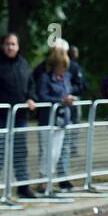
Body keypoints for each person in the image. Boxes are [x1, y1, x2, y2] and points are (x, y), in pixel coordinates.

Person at [0, 34, 37, 198]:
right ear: (2, 46)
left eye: (13, 44)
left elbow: (31, 85)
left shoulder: (24, 64)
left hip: (19, 116)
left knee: (21, 152)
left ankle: (23, 186)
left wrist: (31, 98)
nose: (10, 47)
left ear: (18, 46)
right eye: (7, 44)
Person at [32, 44, 79, 191]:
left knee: (58, 152)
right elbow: (42, 96)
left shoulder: (67, 78)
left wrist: (69, 98)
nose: (63, 70)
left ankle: (49, 179)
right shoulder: (45, 78)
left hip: (62, 119)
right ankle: (44, 180)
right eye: (61, 66)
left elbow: (70, 90)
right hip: (48, 119)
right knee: (48, 151)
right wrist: (59, 101)